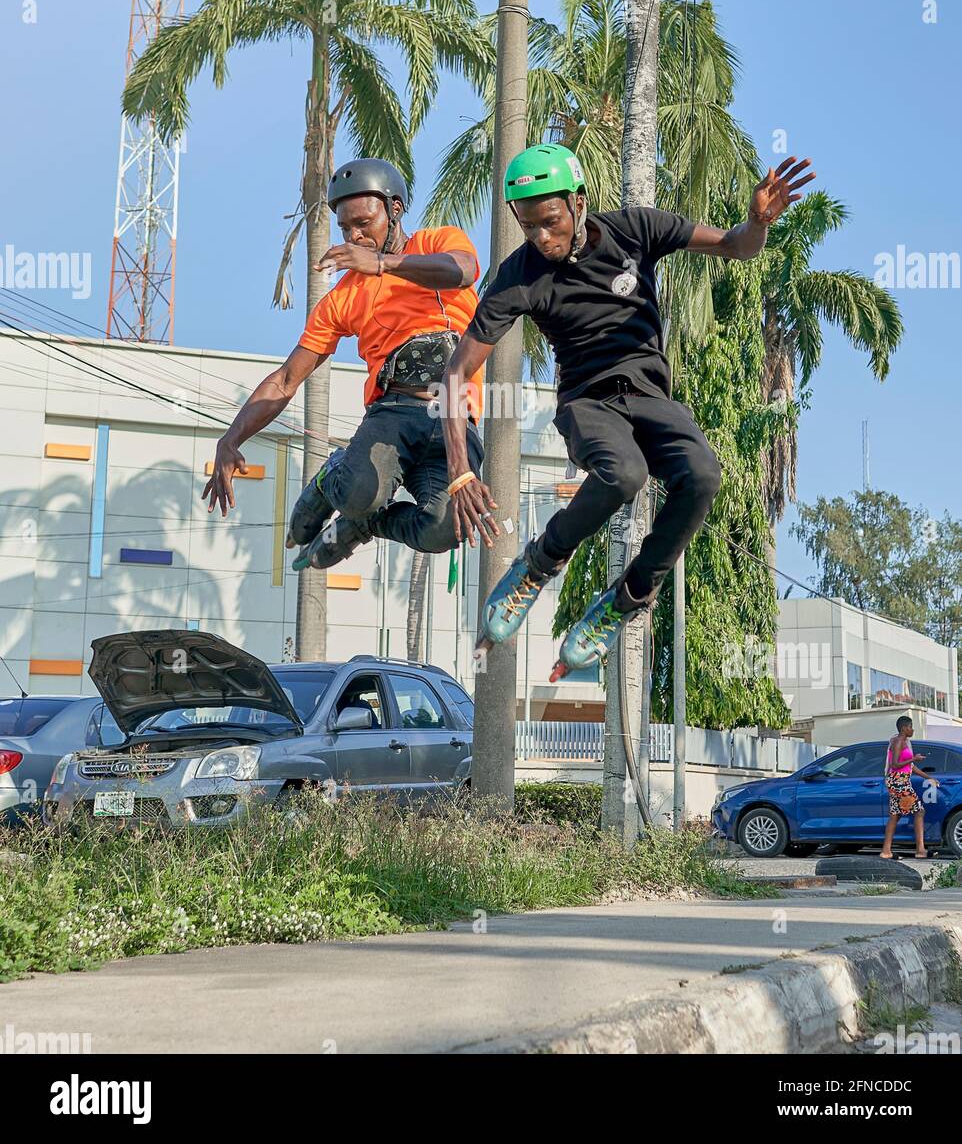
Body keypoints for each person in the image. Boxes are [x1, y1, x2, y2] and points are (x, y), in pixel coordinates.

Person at [439, 141, 815, 672]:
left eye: (550, 221)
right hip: (587, 402)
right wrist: (459, 470)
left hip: (649, 396)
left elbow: (735, 246)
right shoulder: (518, 276)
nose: (542, 238)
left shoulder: (636, 229)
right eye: (528, 227)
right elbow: (459, 370)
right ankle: (538, 564)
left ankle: (626, 599)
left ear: (579, 201)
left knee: (704, 475)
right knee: (624, 474)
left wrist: (757, 224)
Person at [203, 158, 485, 569]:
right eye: (346, 228)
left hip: (457, 416)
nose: (355, 236)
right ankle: (330, 478)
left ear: (395, 210)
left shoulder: (436, 243)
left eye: (364, 223)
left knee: (446, 528)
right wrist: (231, 440)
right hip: (395, 412)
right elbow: (285, 380)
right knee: (358, 494)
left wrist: (385, 265)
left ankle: (365, 526)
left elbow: (464, 270)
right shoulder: (344, 297)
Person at [880, 715, 938, 859]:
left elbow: (910, 766)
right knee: (919, 811)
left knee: (895, 815)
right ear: (904, 728)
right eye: (911, 727)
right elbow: (895, 765)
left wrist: (928, 777)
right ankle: (920, 850)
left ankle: (886, 851)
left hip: (899, 781)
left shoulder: (904, 741)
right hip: (898, 781)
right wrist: (914, 758)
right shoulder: (898, 741)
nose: (912, 730)